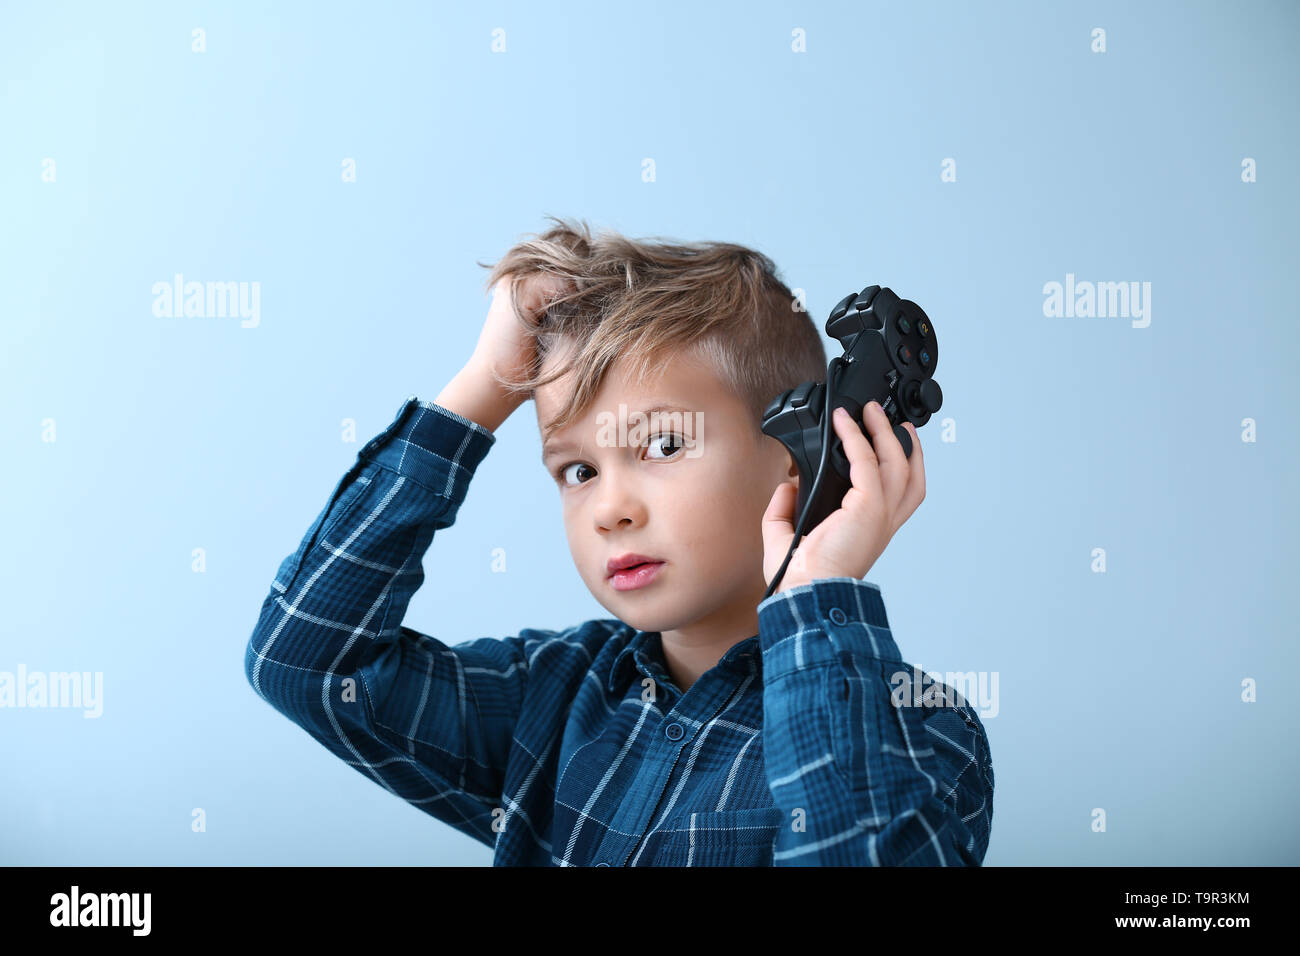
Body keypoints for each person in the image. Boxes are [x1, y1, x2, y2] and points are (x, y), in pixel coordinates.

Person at [243, 216, 994, 865]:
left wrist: (820, 597)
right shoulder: (553, 693)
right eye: (576, 469)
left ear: (801, 451)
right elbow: (304, 660)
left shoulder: (921, 733)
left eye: (664, 446)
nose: (609, 510)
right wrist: (481, 389)